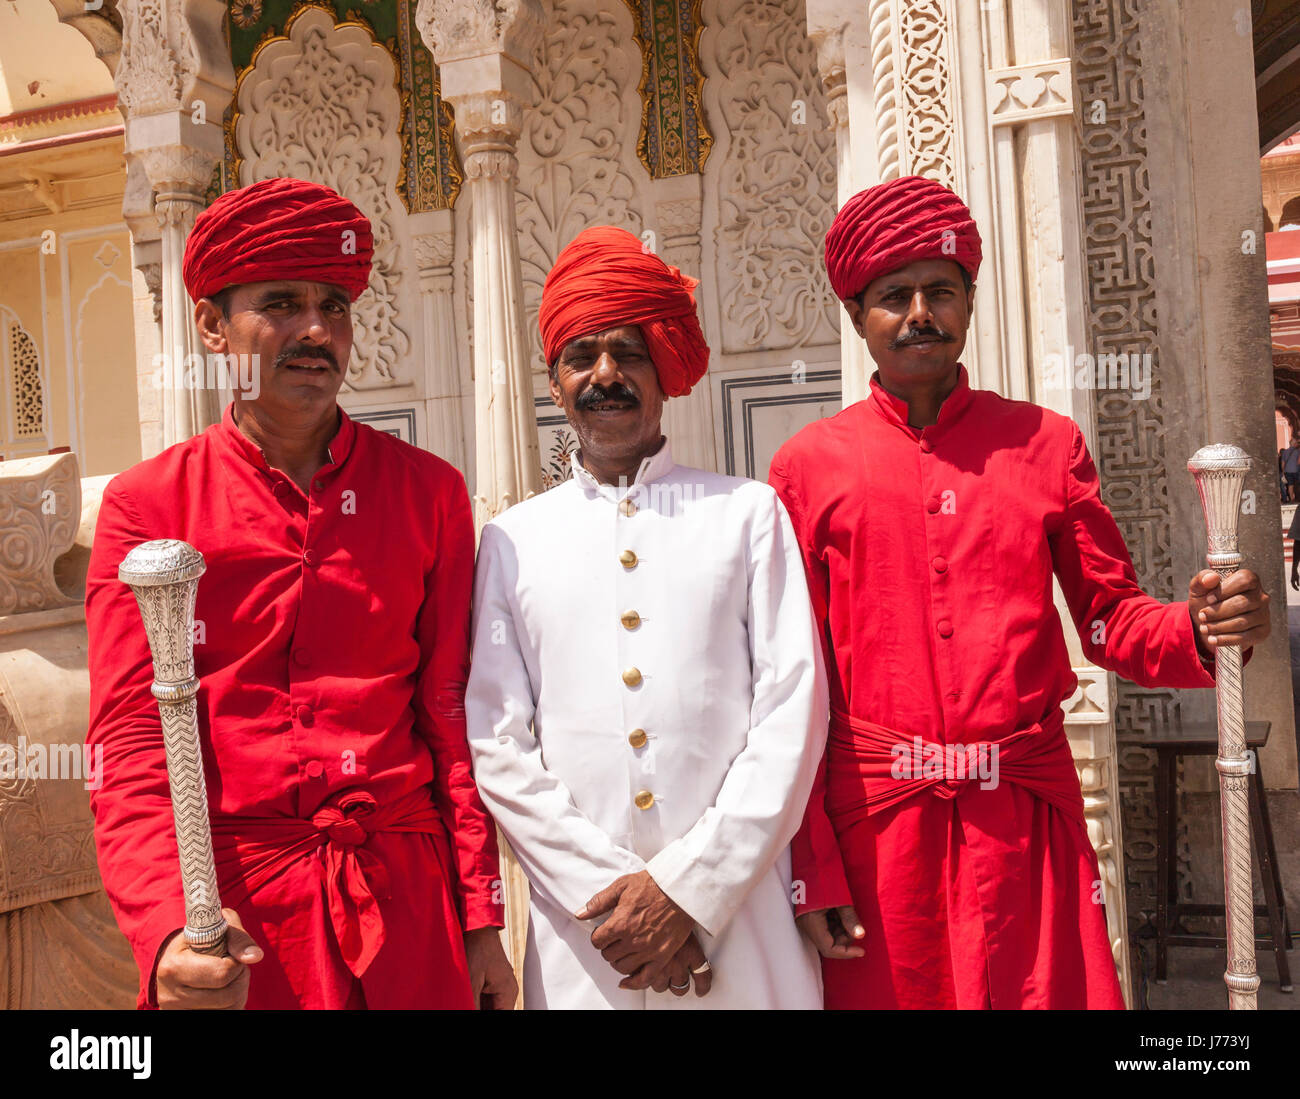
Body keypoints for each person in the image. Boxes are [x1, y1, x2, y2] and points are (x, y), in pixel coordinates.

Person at [768, 174, 1272, 1009]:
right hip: (878, 839)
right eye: (893, 295)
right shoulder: (806, 468)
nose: (919, 313)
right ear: (857, 315)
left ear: (970, 302)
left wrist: (1203, 627)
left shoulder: (1045, 445)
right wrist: (812, 866)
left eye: (941, 290)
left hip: (1024, 830)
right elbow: (796, 692)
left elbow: (1110, 622)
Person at [85, 177, 516, 1010]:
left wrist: (481, 917)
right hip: (240, 923)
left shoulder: (426, 493)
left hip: (407, 904)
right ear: (212, 326)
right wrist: (167, 926)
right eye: (281, 303)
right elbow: (131, 742)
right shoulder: (149, 506)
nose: (317, 330)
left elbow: (449, 718)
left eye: (335, 305)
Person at [465, 226, 827, 1008]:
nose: (605, 374)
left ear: (663, 370)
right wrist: (618, 905)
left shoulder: (746, 514)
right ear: (555, 383)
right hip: (591, 942)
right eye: (581, 357)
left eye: (628, 353)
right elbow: (497, 740)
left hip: (742, 921)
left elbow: (793, 714)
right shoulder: (513, 539)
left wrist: (690, 894)